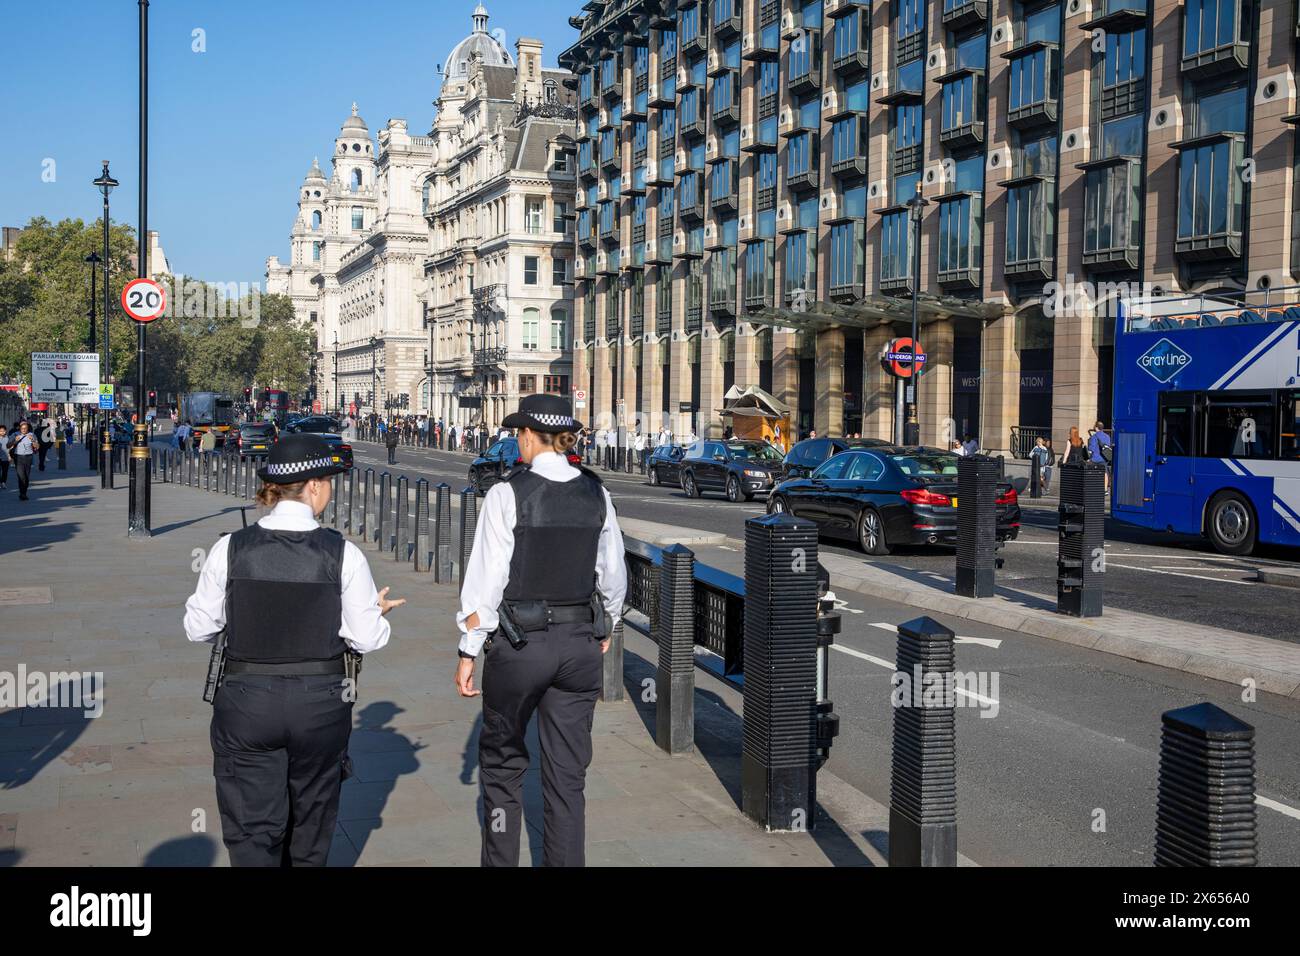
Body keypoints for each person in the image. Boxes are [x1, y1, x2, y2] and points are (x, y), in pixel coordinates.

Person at [183, 434, 405, 866]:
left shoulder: (230, 547)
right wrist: (375, 612)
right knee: (312, 824)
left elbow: (198, 628)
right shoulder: (344, 553)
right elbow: (366, 638)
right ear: (315, 486)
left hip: (246, 701)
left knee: (251, 830)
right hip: (320, 704)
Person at [455, 394, 627, 868]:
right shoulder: (597, 492)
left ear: (529, 436)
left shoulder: (507, 493)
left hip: (519, 645)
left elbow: (485, 582)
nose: (516, 444)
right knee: (568, 777)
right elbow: (613, 574)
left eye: (517, 436)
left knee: (504, 769)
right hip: (579, 646)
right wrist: (605, 623)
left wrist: (468, 650)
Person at [9, 421, 37, 500]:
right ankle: (22, 493)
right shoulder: (14, 435)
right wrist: (15, 441)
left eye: (25, 428)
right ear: (20, 428)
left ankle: (24, 492)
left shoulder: (32, 435)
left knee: (26, 477)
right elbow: (8, 445)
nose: (24, 430)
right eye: (22, 428)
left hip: (29, 457)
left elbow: (37, 447)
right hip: (18, 457)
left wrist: (33, 441)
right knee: (21, 477)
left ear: (28, 428)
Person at [1087, 420, 1113, 491]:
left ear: (1096, 428)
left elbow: (1091, 449)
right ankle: (1105, 490)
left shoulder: (1094, 437)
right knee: (1105, 473)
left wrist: (1088, 458)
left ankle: (1092, 488)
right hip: (1104, 458)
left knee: (1089, 471)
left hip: (1095, 459)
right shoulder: (1107, 436)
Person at [0, 425, 9, 490]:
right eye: (1, 431)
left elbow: (9, 448)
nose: (2, 432)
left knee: (5, 471)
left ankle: (3, 482)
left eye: (3, 431)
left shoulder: (7, 438)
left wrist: (9, 456)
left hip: (6, 458)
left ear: (5, 431)